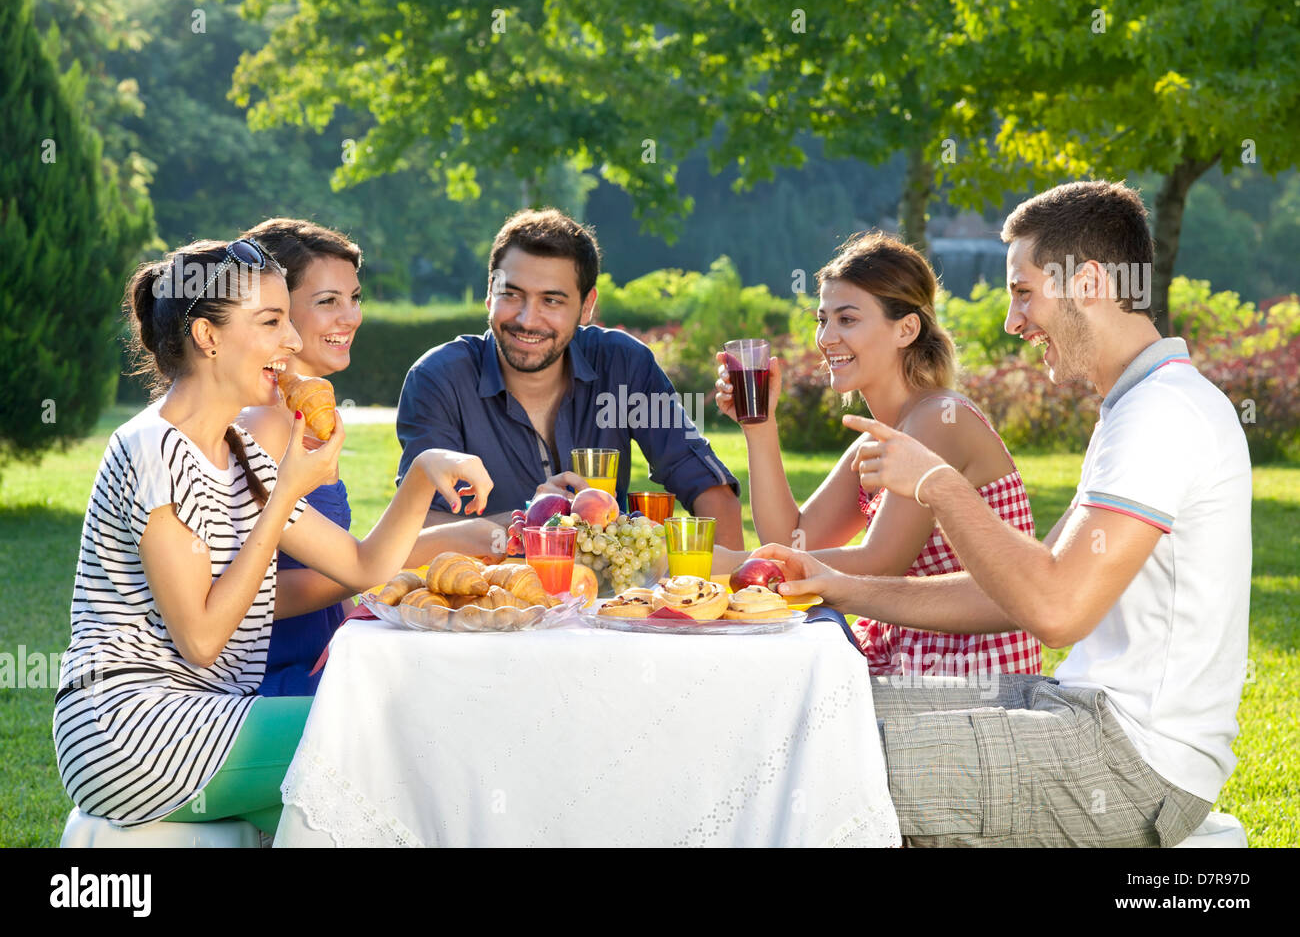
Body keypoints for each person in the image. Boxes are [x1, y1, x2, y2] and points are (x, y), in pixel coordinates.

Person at [755, 180, 1251, 847]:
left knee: (812, 766)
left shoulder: (1163, 413)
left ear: (1091, 282)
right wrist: (836, 585)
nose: (1013, 321)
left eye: (1024, 292)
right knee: (803, 719)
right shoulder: (1136, 408)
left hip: (1133, 762)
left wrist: (936, 484)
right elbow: (1025, 590)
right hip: (1079, 712)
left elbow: (1055, 611)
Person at [53, 238, 493, 836]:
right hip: (130, 729)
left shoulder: (240, 454)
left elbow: (362, 566)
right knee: (386, 747)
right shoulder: (153, 448)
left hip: (212, 718)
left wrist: (421, 476)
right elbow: (203, 639)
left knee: (372, 802)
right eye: (271, 321)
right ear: (208, 337)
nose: (292, 341)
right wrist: (286, 492)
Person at [714, 232, 1040, 678]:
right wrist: (759, 427)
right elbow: (794, 540)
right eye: (822, 319)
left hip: (969, 676)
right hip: (909, 659)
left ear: (906, 328)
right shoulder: (878, 441)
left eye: (847, 320)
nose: (826, 338)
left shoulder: (940, 419)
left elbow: (880, 562)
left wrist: (732, 566)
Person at [236, 219, 505, 697]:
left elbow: (340, 558)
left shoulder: (308, 413)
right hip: (276, 680)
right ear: (273, 309)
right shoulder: (263, 423)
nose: (351, 317)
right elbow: (258, 597)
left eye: (354, 298)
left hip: (328, 656)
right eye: (327, 302)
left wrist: (469, 536)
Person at [395, 208, 744, 547]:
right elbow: (413, 530)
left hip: (605, 601)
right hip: (486, 602)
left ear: (587, 305)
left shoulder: (624, 365)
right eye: (512, 294)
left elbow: (708, 488)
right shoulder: (438, 379)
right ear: (490, 293)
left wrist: (722, 594)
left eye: (552, 300)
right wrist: (530, 522)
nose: (528, 319)